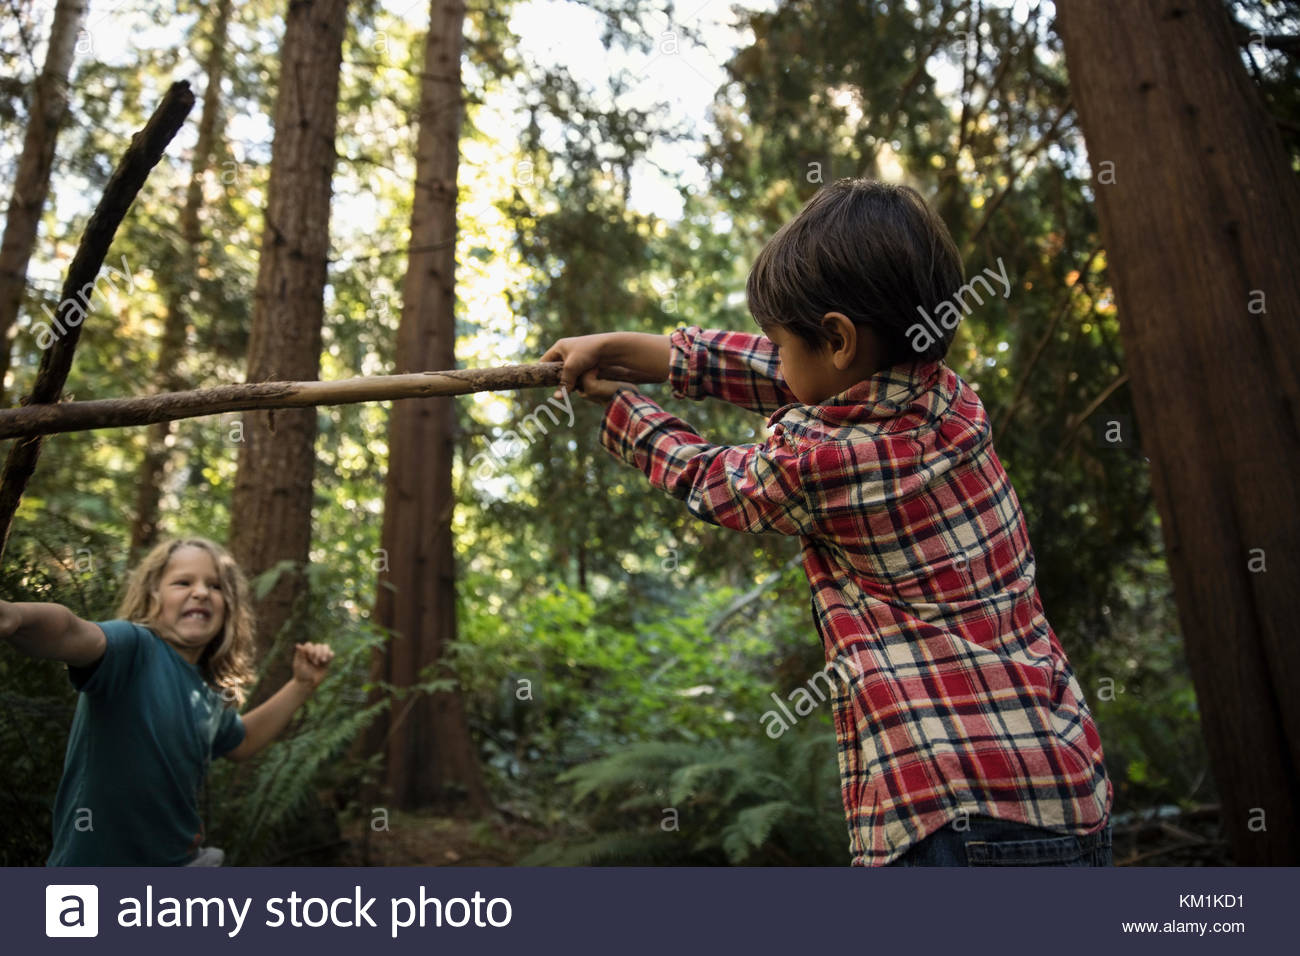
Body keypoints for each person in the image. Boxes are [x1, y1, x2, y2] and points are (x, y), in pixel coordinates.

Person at [541, 178, 1113, 867]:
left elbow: (718, 483)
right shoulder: (948, 400)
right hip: (1064, 786)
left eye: (782, 342)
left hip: (956, 817)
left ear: (838, 338)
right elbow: (797, 377)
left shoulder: (821, 464)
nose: (774, 355)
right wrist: (639, 351)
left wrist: (625, 409)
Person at [0, 537, 334, 865]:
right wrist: (14, 616)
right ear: (152, 596)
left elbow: (242, 741)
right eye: (183, 582)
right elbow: (70, 631)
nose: (201, 592)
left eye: (216, 586)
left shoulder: (209, 693)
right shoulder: (133, 648)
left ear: (229, 607)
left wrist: (301, 685)